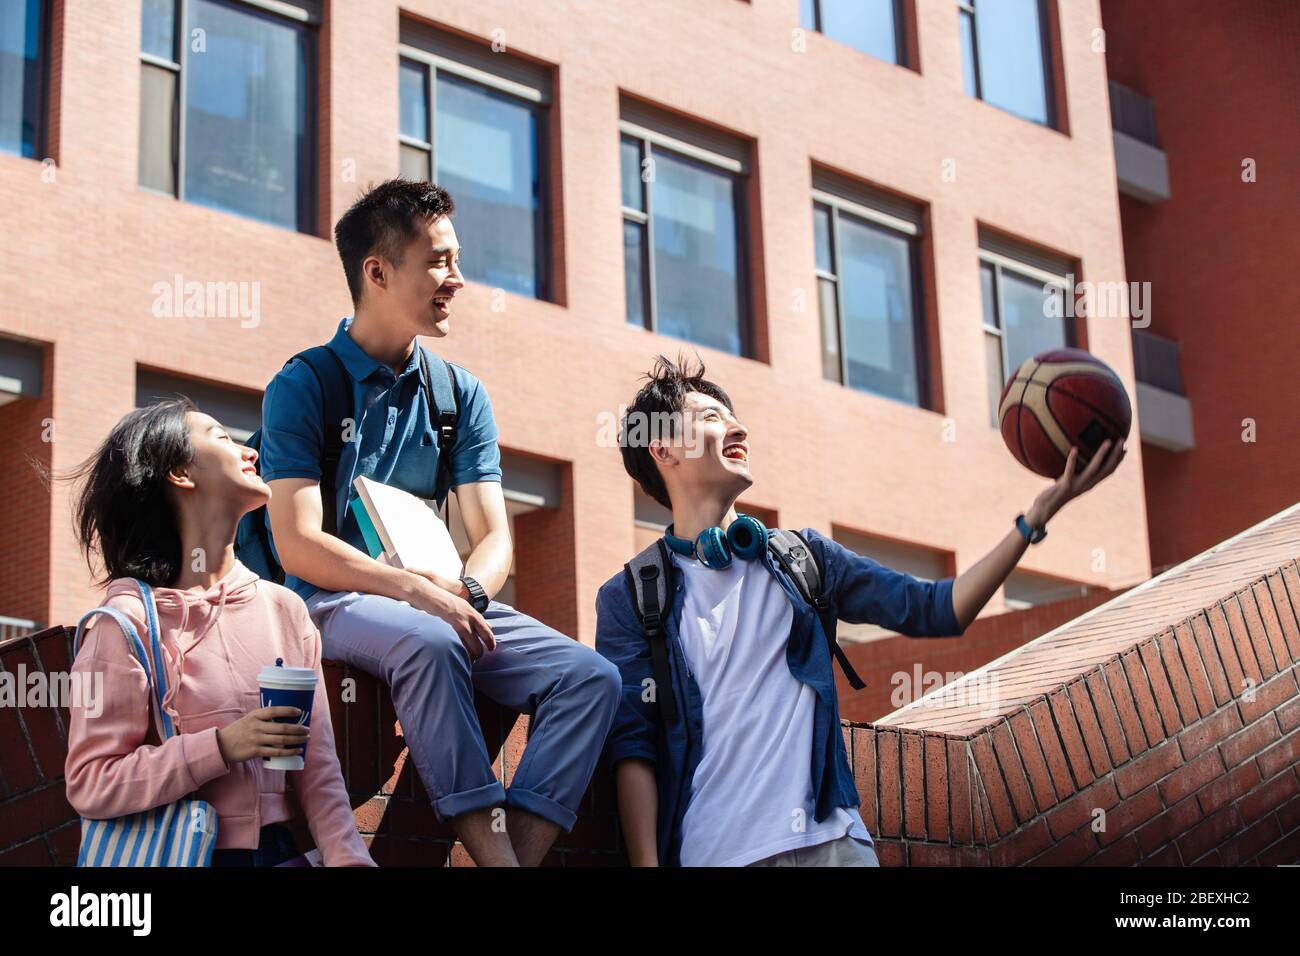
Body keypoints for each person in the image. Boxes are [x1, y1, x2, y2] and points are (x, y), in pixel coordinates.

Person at [596, 354, 1126, 867]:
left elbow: (939, 609)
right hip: (716, 854)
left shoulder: (804, 558)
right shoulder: (632, 596)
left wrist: (1035, 519)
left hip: (835, 844)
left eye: (734, 416)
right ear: (662, 449)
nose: (739, 428)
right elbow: (633, 747)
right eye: (712, 418)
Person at [256, 178, 620, 866]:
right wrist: (419, 594)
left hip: (445, 599)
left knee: (590, 677)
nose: (457, 279)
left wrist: (468, 593)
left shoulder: (459, 393)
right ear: (377, 272)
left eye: (456, 260)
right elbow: (298, 546)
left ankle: (516, 858)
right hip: (329, 600)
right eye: (439, 262)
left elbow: (494, 538)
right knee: (428, 642)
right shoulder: (305, 384)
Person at [64, 399, 374, 867]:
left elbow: (317, 766)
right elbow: (92, 783)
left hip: (277, 854)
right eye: (223, 437)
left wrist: (347, 857)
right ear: (179, 473)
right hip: (183, 853)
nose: (252, 452)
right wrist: (222, 746)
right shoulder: (125, 623)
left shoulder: (285, 610)